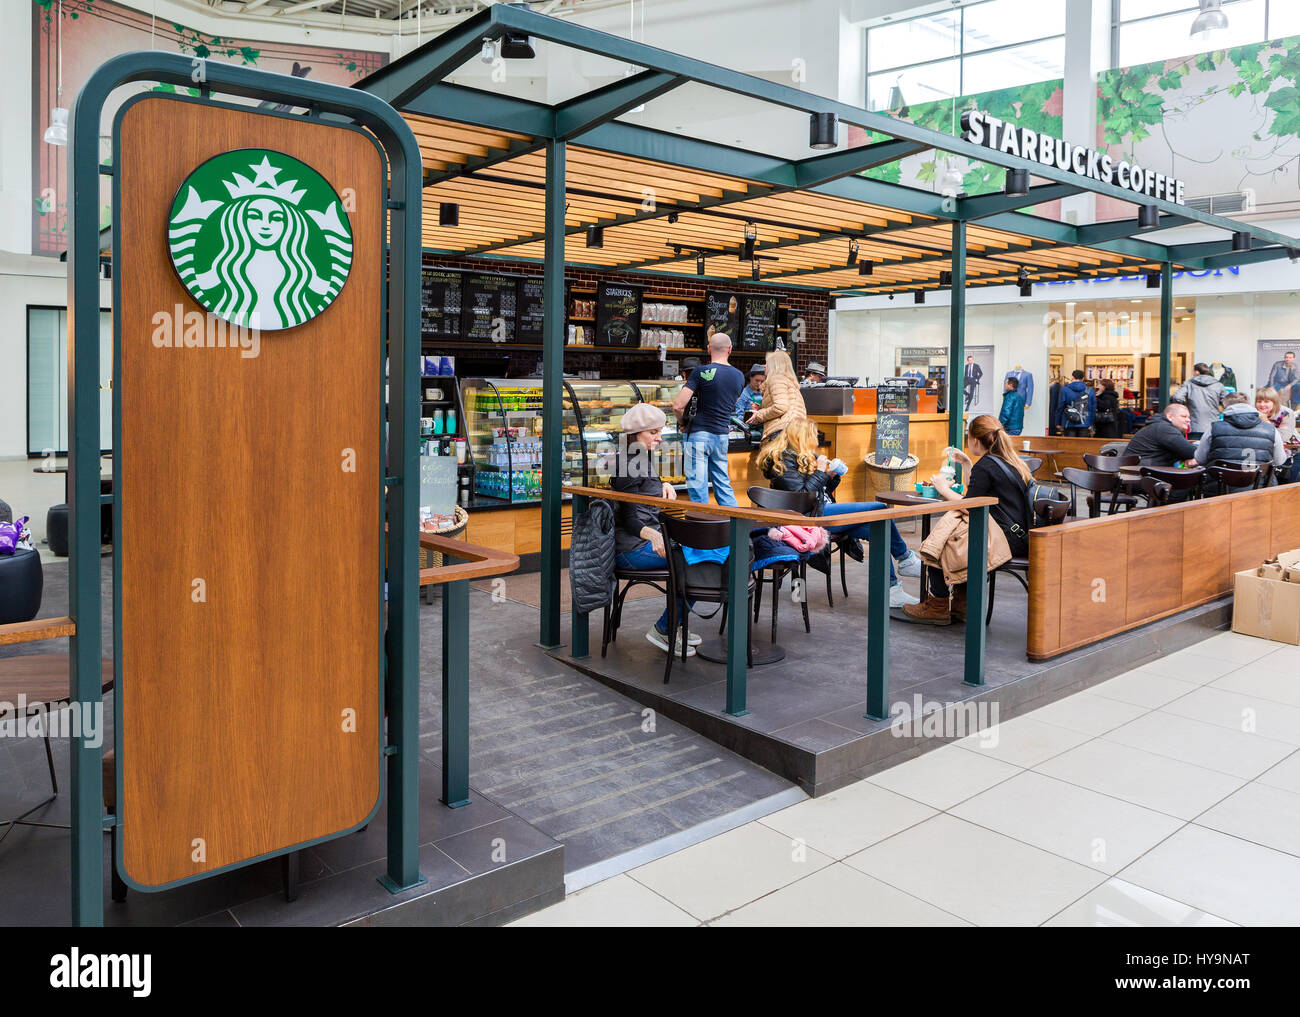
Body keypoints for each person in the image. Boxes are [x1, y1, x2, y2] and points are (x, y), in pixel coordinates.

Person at [758, 419, 921, 608]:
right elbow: (802, 498)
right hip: (808, 520)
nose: (816, 441)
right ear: (800, 438)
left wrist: (831, 477)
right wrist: (820, 471)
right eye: (812, 436)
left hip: (820, 512)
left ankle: (891, 590)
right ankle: (905, 558)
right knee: (879, 509)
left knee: (879, 528)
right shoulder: (781, 461)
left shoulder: (801, 457)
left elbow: (819, 491)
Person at [903, 415, 1032, 625]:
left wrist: (943, 489)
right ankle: (962, 605)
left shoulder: (988, 465)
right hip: (1017, 536)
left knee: (943, 542)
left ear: (974, 440)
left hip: (1003, 539)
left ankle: (938, 605)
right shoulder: (1008, 461)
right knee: (956, 537)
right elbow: (978, 495)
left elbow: (969, 506)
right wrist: (966, 463)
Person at [608, 402, 697, 656]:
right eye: (652, 433)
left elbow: (640, 495)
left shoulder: (639, 457)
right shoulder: (628, 463)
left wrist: (663, 484)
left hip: (642, 542)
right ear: (635, 434)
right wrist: (655, 534)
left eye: (659, 432)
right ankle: (665, 628)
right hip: (631, 549)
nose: (659, 438)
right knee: (697, 561)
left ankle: (676, 622)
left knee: (701, 556)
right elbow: (630, 520)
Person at [673, 333, 745, 507]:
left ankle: (703, 528)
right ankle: (733, 528)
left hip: (698, 435)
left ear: (708, 349)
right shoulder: (739, 376)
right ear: (730, 350)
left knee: (699, 489)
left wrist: (683, 424)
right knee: (723, 484)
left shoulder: (701, 372)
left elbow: (678, 405)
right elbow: (730, 404)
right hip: (721, 436)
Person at [1194, 391, 1287, 473]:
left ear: (1226, 407)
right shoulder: (1271, 430)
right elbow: (1279, 461)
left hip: (1218, 487)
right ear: (1248, 405)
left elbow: (1200, 459)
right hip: (1259, 487)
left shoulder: (1213, 428)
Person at [746, 348, 807, 445]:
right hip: (794, 431)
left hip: (782, 432)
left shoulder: (776, 379)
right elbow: (785, 406)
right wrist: (762, 408)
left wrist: (759, 414)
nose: (765, 366)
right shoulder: (788, 381)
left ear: (774, 365)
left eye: (767, 363)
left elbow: (780, 407)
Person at [1123, 403, 1197, 468]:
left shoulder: (1160, 426)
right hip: (1140, 474)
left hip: (1141, 470)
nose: (1188, 420)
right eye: (1184, 416)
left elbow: (1184, 452)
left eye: (1188, 417)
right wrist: (1196, 459)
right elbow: (1191, 452)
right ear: (1170, 417)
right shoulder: (1164, 428)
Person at [1256, 386, 1300, 482]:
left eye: (1266, 401)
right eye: (1259, 401)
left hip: (1290, 453)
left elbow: (1282, 437)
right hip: (1266, 454)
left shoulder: (1286, 413)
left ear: (1274, 402)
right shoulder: (1254, 413)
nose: (1262, 404)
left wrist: (1266, 421)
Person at [1173, 362, 1226, 438]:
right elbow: (1227, 402)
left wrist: (1185, 407)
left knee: (1193, 448)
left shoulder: (1189, 384)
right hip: (1213, 425)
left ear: (1197, 372)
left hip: (1194, 425)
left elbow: (1177, 398)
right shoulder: (1218, 385)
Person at [1056, 369, 1096, 436]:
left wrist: (1058, 422)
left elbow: (1060, 407)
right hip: (1084, 422)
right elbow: (1092, 408)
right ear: (1083, 378)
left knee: (1069, 445)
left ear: (1072, 377)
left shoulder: (1065, 390)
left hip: (1068, 421)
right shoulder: (1089, 390)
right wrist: (1091, 423)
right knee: (1082, 445)